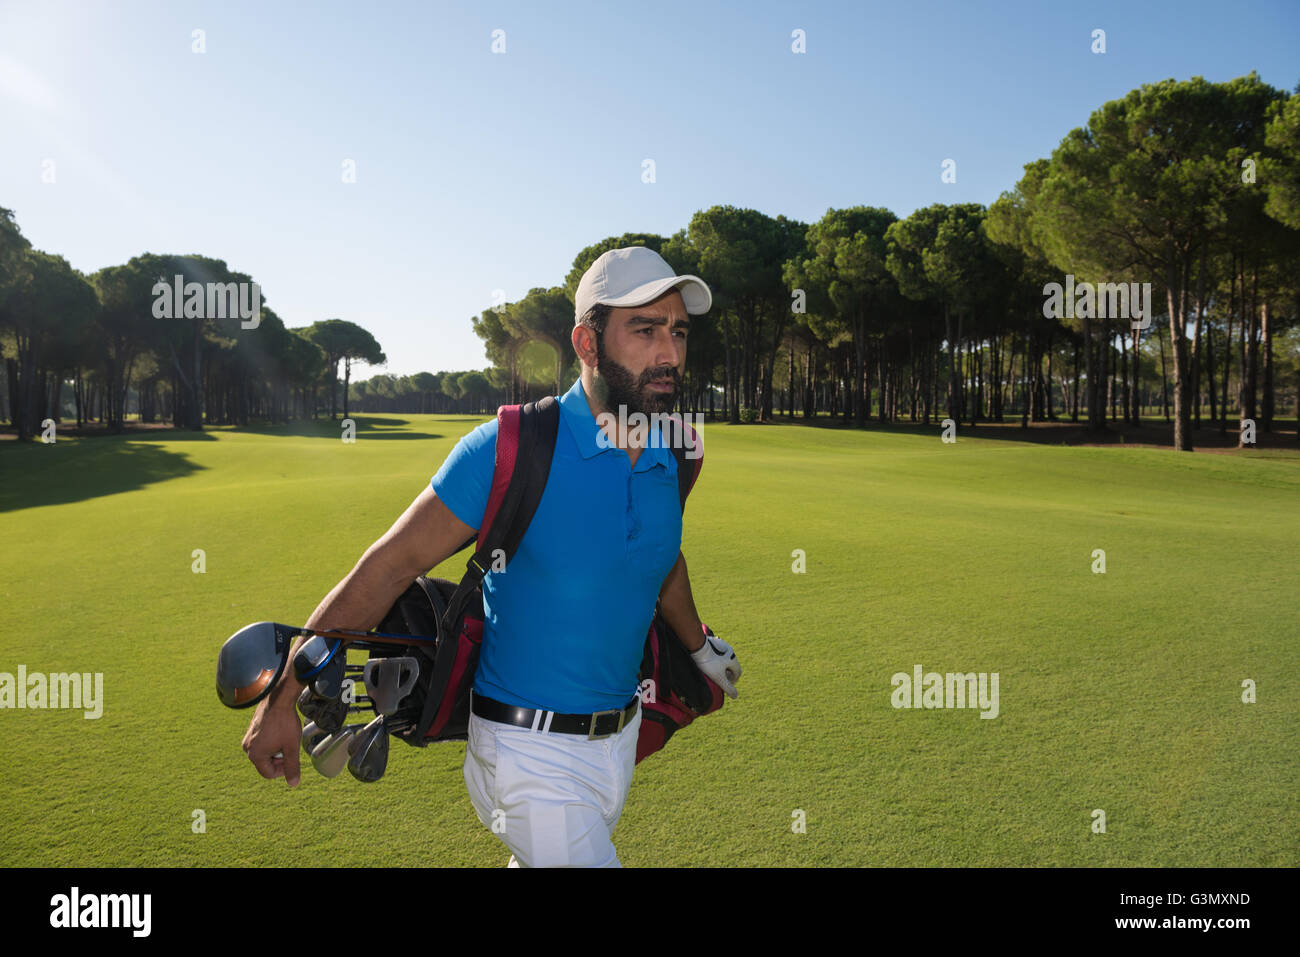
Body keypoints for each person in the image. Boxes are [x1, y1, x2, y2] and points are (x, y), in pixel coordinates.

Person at [241, 246, 742, 867]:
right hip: (525, 756)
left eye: (679, 331)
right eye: (645, 330)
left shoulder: (675, 452)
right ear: (587, 343)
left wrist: (697, 646)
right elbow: (387, 567)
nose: (669, 352)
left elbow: (659, 555)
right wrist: (281, 697)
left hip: (619, 743)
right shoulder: (509, 448)